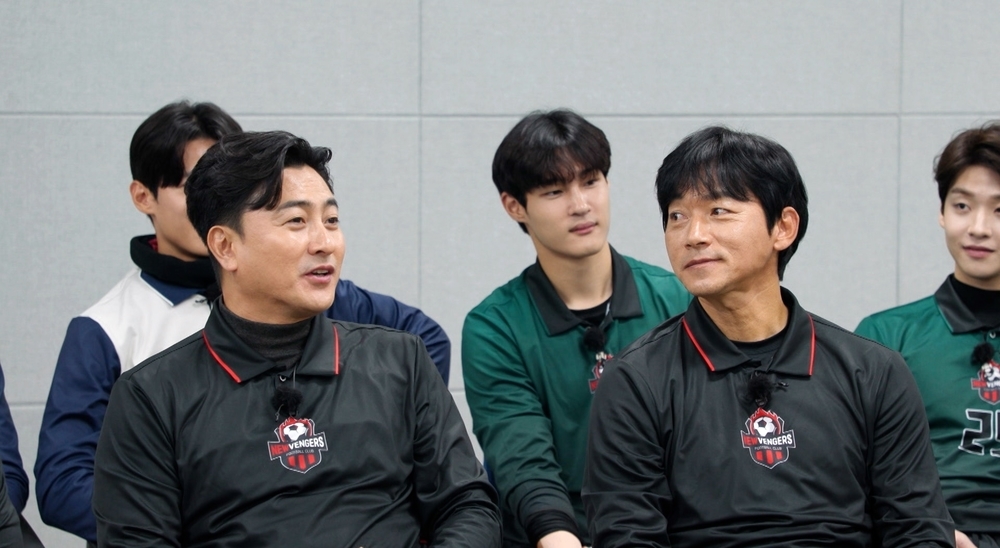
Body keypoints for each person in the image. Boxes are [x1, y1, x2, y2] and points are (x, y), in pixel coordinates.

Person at [36, 101, 452, 544]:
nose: (322, 241)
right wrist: (168, 505)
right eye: (196, 184)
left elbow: (424, 344)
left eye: (331, 219)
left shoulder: (316, 293)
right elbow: (62, 480)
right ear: (144, 196)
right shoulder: (108, 330)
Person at [583, 126, 954, 547]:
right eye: (677, 216)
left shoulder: (874, 372)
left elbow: (918, 530)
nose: (693, 235)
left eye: (718, 211)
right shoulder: (635, 380)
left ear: (784, 227)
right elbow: (628, 536)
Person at [462, 109, 690, 548]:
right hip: (558, 535)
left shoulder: (678, 299)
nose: (581, 204)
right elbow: (521, 457)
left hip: (666, 530)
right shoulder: (494, 326)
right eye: (554, 190)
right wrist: (558, 536)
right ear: (514, 206)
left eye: (591, 181)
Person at [856, 122, 1000, 548]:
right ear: (942, 212)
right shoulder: (885, 336)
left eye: (999, 210)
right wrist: (928, 534)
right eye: (962, 206)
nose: (978, 227)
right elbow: (850, 472)